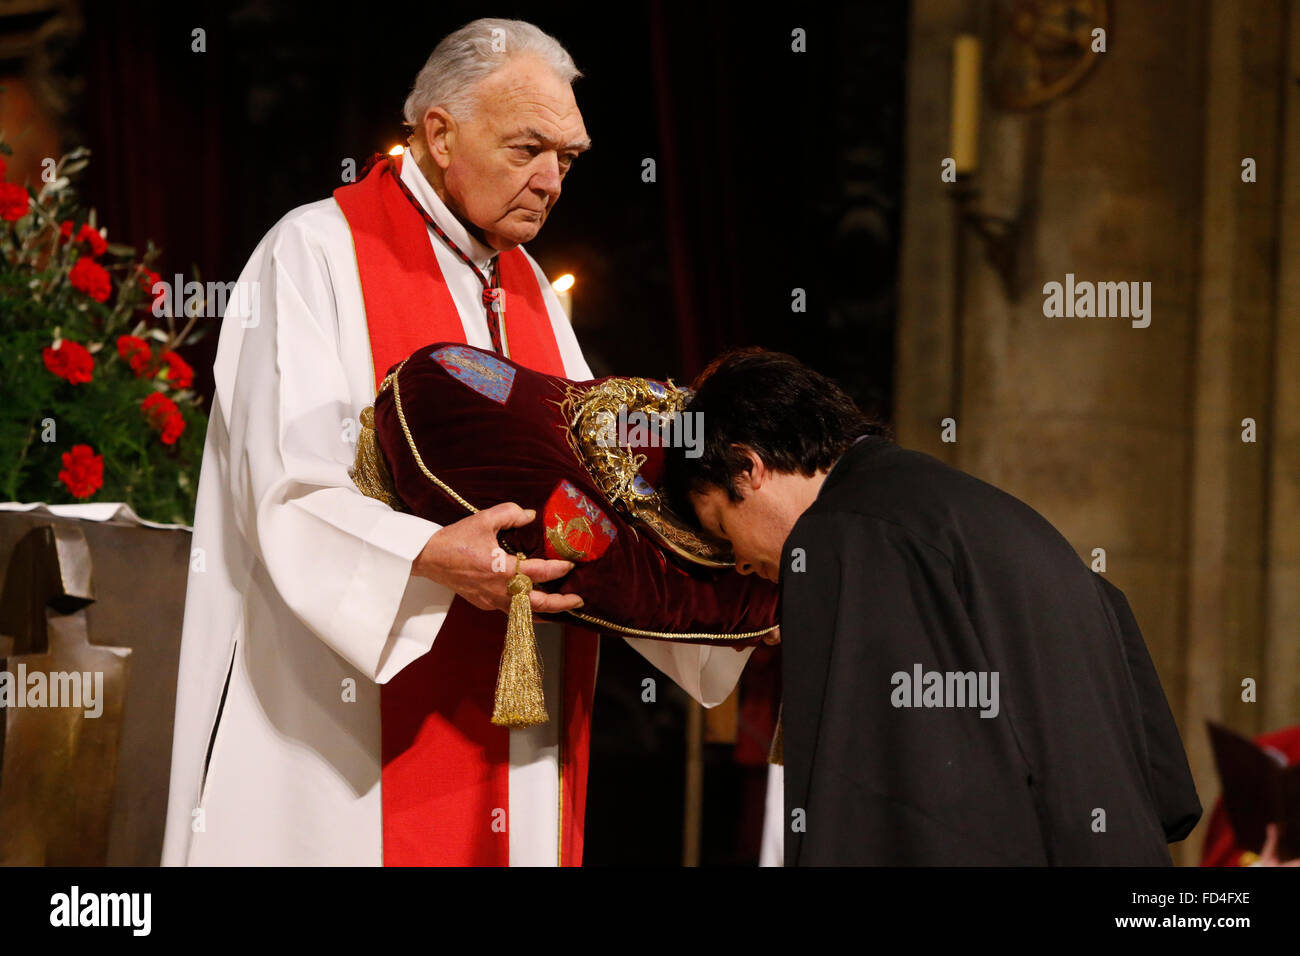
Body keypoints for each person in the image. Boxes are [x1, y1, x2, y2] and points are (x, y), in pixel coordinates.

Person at [162, 18, 751, 867]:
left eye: (569, 158)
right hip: (347, 737)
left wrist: (732, 597)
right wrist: (428, 556)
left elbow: (610, 499)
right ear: (439, 133)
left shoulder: (532, 294)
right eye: (528, 149)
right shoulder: (314, 254)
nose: (552, 181)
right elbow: (285, 493)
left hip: (517, 717)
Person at [662, 348, 1202, 865]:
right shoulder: (995, 515)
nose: (739, 562)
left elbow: (878, 801)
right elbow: (1165, 783)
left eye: (721, 529)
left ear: (748, 468)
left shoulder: (840, 539)